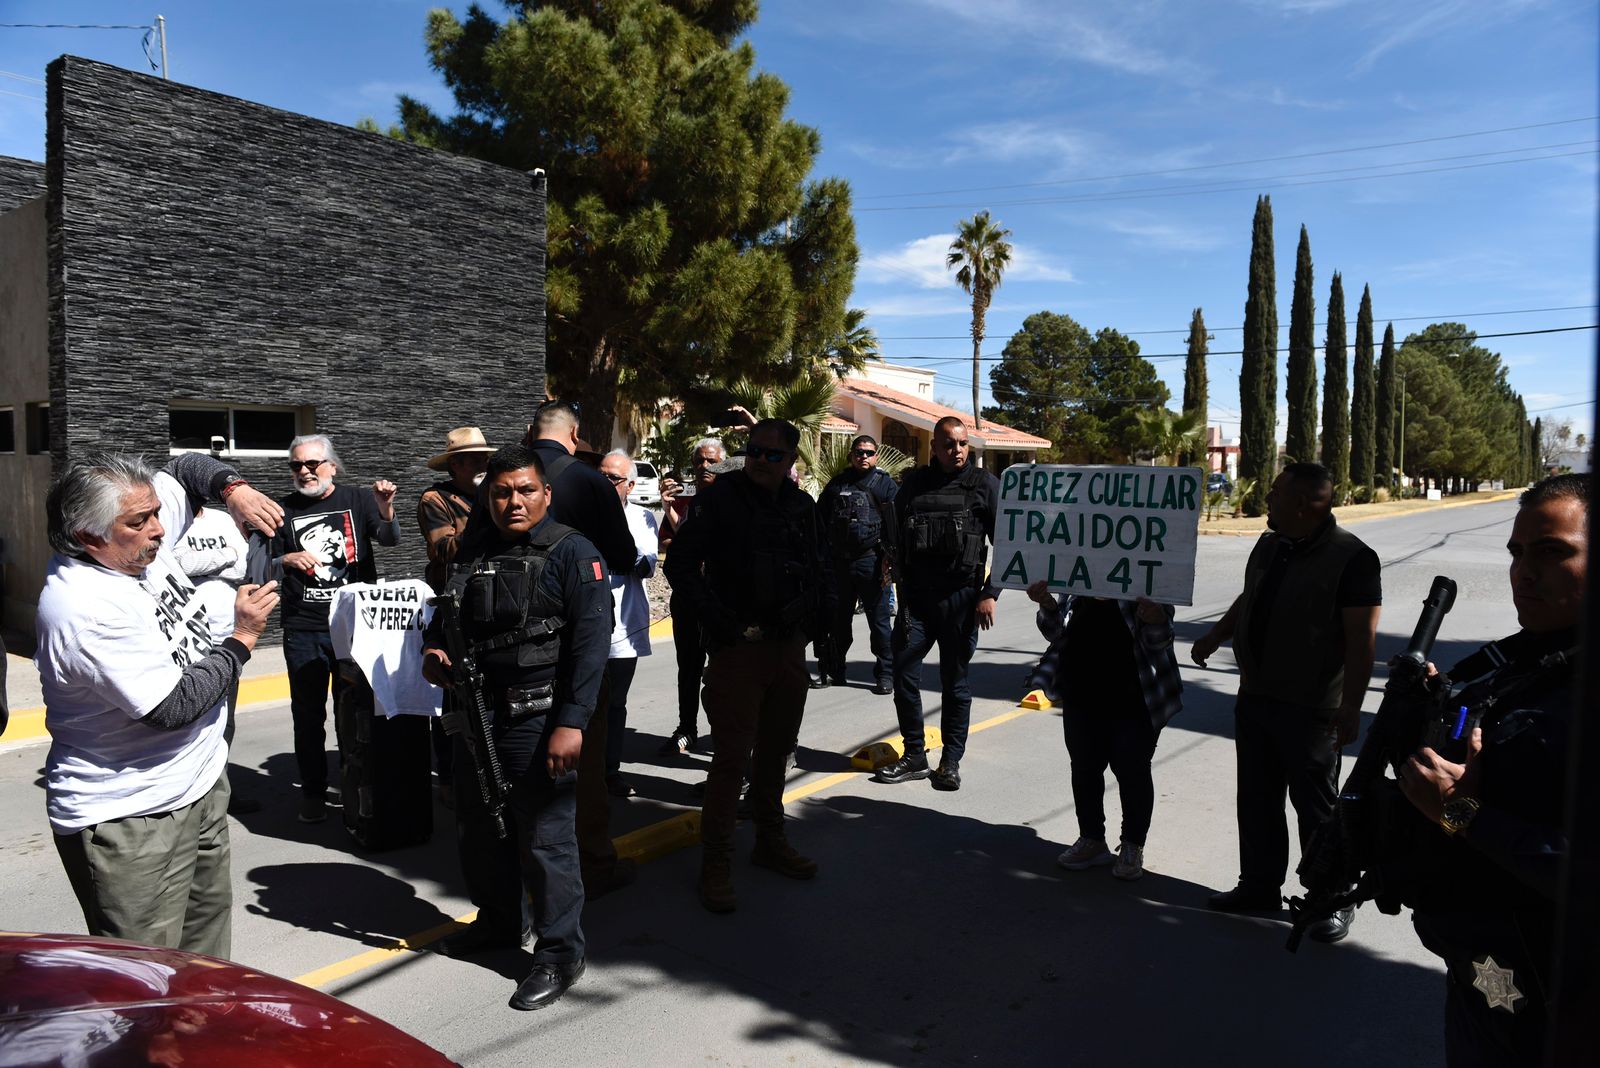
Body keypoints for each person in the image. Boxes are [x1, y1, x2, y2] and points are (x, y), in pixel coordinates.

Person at [37, 452, 282, 956]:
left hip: (199, 785)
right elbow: (173, 707)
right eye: (139, 521)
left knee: (206, 960)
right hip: (135, 817)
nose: (160, 529)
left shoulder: (135, 545)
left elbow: (186, 469)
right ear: (88, 535)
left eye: (155, 512)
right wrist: (241, 639)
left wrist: (234, 491)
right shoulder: (85, 608)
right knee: (147, 974)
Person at [1396, 473, 1585, 1066]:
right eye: (1517, 552)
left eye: (1552, 551)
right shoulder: (1522, 658)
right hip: (1484, 970)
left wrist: (1459, 814)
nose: (1524, 572)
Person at [421, 445, 611, 1011]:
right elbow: (442, 616)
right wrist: (432, 650)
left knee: (546, 839)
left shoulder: (573, 552)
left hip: (540, 716)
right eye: (502, 492)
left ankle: (560, 953)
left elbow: (590, 646)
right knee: (480, 828)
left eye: (526, 490)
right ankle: (500, 922)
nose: (514, 502)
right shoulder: (473, 549)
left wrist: (571, 723)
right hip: (477, 713)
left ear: (545, 493)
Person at [1191, 461, 1381, 943]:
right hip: (1257, 696)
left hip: (1313, 708)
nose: (1268, 498)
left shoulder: (1354, 558)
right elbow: (1250, 595)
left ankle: (1331, 898)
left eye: (1275, 492)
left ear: (1302, 503)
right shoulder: (1270, 543)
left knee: (1316, 808)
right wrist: (1216, 633)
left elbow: (1362, 641)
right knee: (1256, 800)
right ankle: (1258, 886)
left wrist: (1351, 707)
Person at [663, 419, 832, 913]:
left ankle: (769, 841)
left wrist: (815, 626)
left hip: (787, 648)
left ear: (791, 461)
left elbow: (820, 569)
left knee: (776, 753)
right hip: (737, 650)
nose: (759, 460)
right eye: (754, 450)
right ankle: (716, 861)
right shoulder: (721, 499)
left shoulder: (801, 507)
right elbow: (679, 566)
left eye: (772, 455)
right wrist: (718, 620)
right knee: (731, 760)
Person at [524, 401, 637, 899]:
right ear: (574, 435)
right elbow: (623, 555)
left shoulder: (502, 478)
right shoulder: (591, 482)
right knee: (585, 761)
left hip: (514, 642)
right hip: (576, 636)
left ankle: (528, 868)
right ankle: (594, 864)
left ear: (531, 432)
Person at [271, 433, 400, 824]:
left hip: (355, 626)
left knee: (354, 712)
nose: (304, 471)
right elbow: (263, 563)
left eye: (312, 464)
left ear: (332, 466)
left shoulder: (358, 499)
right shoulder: (282, 510)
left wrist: (386, 509)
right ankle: (312, 791)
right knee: (308, 716)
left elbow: (389, 540)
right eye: (297, 465)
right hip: (304, 628)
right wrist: (286, 559)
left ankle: (352, 783)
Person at [872, 417, 1000, 792]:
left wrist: (990, 593)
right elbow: (894, 530)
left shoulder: (984, 485)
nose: (956, 450)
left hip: (961, 599)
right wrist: (888, 560)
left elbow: (1008, 545)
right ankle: (915, 755)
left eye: (962, 444)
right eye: (948, 444)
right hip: (916, 598)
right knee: (903, 676)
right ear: (934, 447)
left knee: (954, 682)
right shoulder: (915, 483)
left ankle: (950, 762)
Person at [1025, 583, 1182, 880]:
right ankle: (1092, 839)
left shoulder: (1144, 583)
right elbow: (1055, 632)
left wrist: (1157, 619)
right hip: (1081, 691)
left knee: (1132, 770)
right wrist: (1047, 604)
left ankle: (1132, 845)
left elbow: (1160, 640)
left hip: (1133, 697)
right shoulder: (1076, 584)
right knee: (1084, 768)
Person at [171, 502, 267, 816]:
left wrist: (200, 564)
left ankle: (219, 792)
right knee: (187, 719)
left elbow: (243, 567)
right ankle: (186, 796)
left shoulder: (221, 519)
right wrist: (225, 555)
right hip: (185, 638)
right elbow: (172, 565)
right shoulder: (169, 519)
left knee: (224, 720)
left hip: (226, 635)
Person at [418, 426, 497, 808]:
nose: (482, 464)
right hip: (453, 608)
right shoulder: (435, 499)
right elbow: (444, 549)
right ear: (455, 465)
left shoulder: (495, 493)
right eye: (472, 459)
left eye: (484, 457)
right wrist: (485, 517)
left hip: (492, 602)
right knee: (452, 694)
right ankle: (449, 776)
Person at [813, 434, 898, 694]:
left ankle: (885, 674)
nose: (864, 457)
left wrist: (891, 560)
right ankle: (834, 670)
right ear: (851, 455)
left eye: (869, 453)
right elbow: (819, 520)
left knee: (879, 623)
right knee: (838, 622)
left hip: (872, 563)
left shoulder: (885, 485)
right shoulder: (837, 484)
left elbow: (897, 525)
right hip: (839, 564)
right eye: (859, 452)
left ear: (876, 456)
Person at [657, 436, 726, 755]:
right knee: (688, 667)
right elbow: (669, 543)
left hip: (722, 602)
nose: (704, 466)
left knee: (723, 672)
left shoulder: (733, 501)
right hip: (687, 599)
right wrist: (668, 508)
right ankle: (687, 728)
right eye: (699, 461)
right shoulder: (684, 502)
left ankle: (727, 735)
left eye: (712, 461)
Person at [598, 449, 659, 799]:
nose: (606, 483)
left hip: (624, 626)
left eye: (614, 478)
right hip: (586, 623)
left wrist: (620, 546)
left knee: (614, 703)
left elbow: (647, 565)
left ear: (631, 485)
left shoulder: (642, 517)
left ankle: (610, 771)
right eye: (601, 476)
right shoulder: (583, 514)